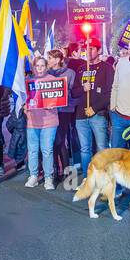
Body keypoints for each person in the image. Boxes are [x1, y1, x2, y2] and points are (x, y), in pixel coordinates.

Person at [72, 37, 113, 176]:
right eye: (85, 49)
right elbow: (74, 92)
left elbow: (109, 94)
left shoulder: (106, 68)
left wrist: (94, 109)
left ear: (99, 50)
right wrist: (83, 88)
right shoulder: (81, 69)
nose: (88, 52)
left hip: (98, 115)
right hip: (81, 116)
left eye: (91, 49)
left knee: (102, 148)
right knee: (85, 149)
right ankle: (86, 177)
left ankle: (104, 178)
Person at [25, 56, 59, 189]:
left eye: (42, 65)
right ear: (33, 68)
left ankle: (48, 178)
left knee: (47, 150)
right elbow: (23, 100)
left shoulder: (53, 80)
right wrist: (24, 106)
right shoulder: (28, 81)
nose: (39, 68)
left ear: (46, 67)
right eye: (37, 66)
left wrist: (54, 103)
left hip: (49, 122)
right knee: (32, 150)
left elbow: (60, 99)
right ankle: (33, 176)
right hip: (32, 121)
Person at [46, 48, 77, 181]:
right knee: (54, 141)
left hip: (64, 111)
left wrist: (66, 96)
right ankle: (57, 170)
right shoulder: (46, 73)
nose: (48, 61)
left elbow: (74, 92)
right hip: (50, 111)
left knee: (59, 140)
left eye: (50, 58)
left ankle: (64, 169)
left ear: (58, 60)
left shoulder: (70, 73)